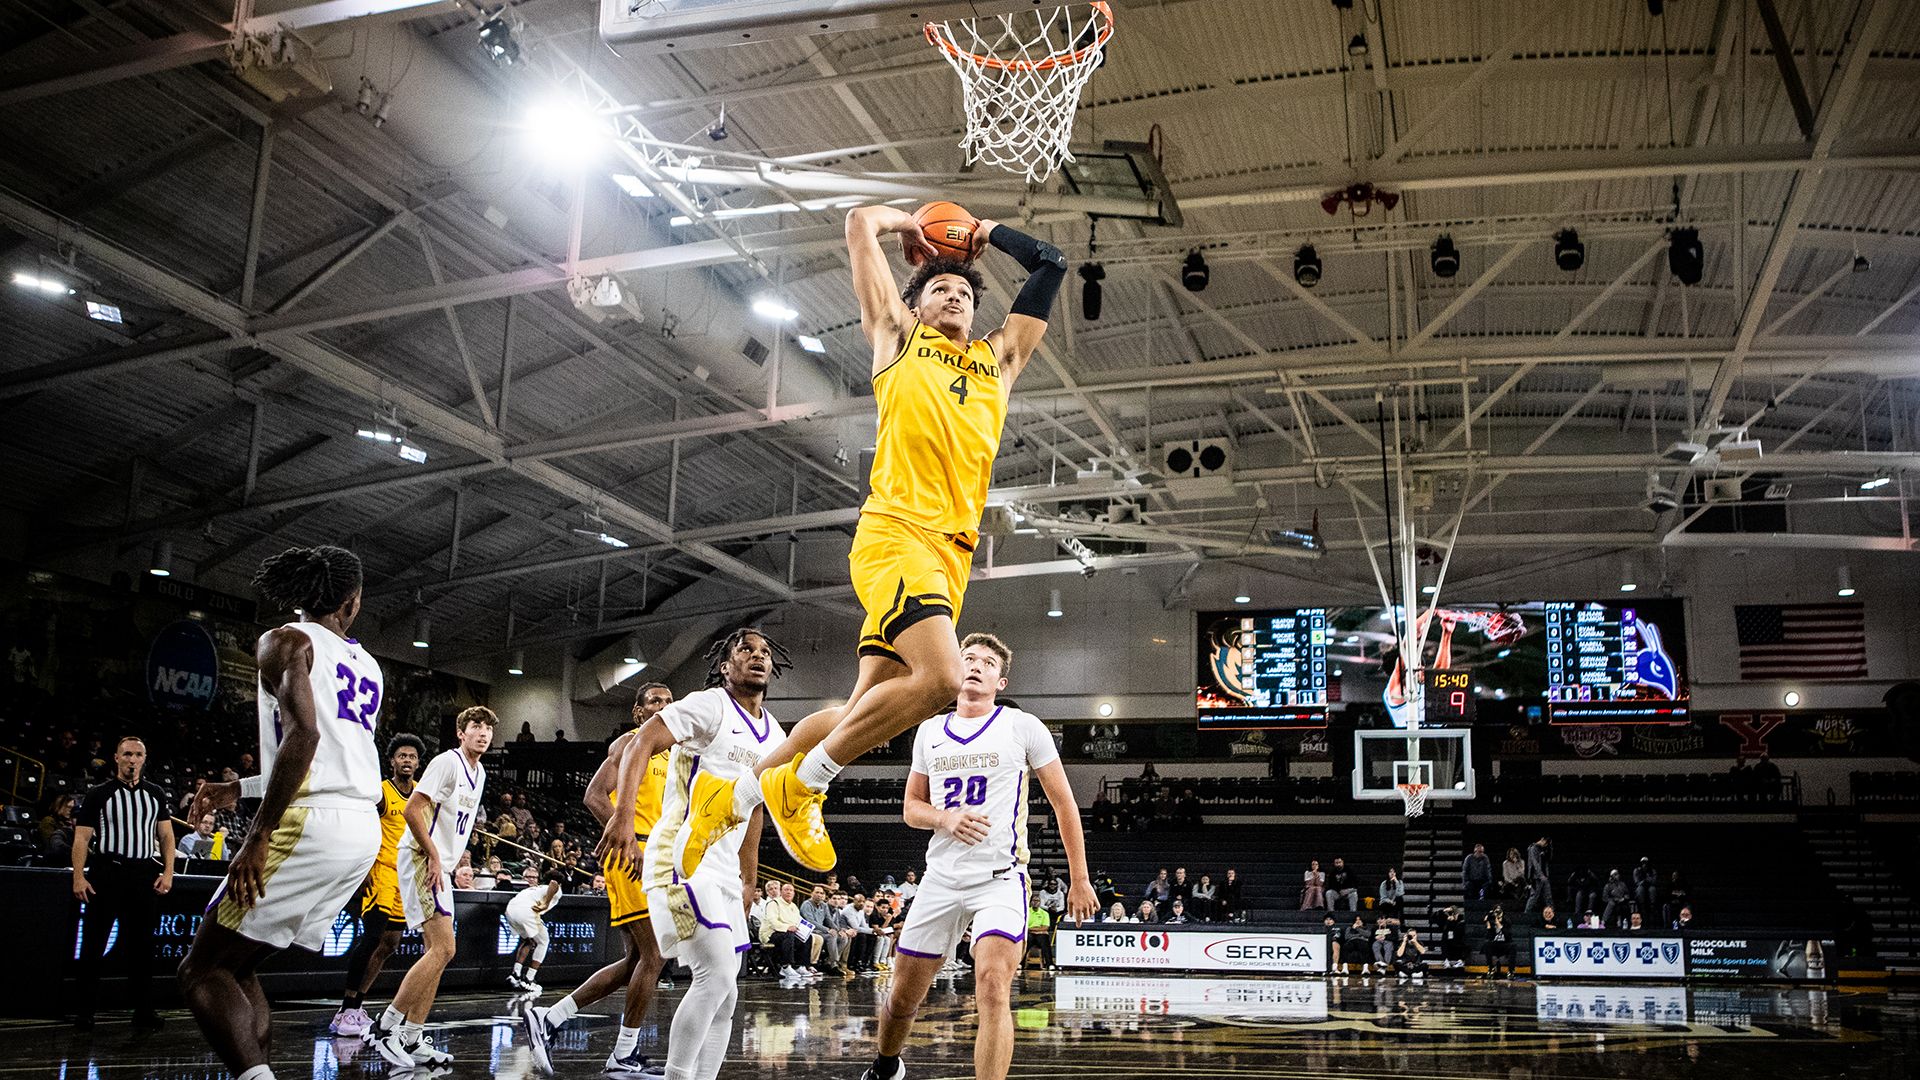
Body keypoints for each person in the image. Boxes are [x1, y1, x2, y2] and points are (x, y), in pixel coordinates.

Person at [676, 206, 1066, 878]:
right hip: (896, 536)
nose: (956, 296)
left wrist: (989, 233)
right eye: (942, 289)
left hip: (951, 556)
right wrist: (907, 224)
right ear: (914, 303)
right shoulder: (900, 339)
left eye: (967, 293)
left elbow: (1051, 265)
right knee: (942, 678)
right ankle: (803, 785)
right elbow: (859, 223)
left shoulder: (995, 361)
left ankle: (731, 795)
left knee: (861, 709)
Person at [179, 546, 382, 1080]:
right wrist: (241, 788)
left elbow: (307, 737)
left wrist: (258, 833)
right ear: (352, 602)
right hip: (360, 827)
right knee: (239, 965)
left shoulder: (285, 640)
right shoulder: (369, 665)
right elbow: (332, 752)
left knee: (200, 969)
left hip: (310, 822)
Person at [861, 632, 1097, 1080]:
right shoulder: (930, 731)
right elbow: (912, 808)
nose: (974, 665)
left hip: (1001, 878)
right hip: (941, 879)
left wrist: (1079, 879)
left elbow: (1064, 803)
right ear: (954, 668)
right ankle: (886, 1065)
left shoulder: (1023, 726)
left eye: (987, 662)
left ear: (1000, 681)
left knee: (991, 985)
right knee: (903, 998)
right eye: (967, 658)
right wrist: (945, 818)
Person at [581, 628, 784, 1080]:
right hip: (677, 863)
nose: (757, 657)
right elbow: (639, 743)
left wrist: (748, 879)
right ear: (725, 665)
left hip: (725, 874)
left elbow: (754, 810)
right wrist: (623, 815)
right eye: (745, 650)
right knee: (713, 975)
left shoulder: (774, 734)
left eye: (765, 653)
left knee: (727, 993)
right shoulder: (709, 704)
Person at [531, 674, 678, 1072]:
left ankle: (551, 1017)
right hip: (631, 852)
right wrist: (626, 835)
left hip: (657, 854)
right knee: (656, 954)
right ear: (638, 710)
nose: (663, 707)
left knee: (635, 961)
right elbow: (593, 795)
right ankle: (623, 1053)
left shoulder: (674, 753)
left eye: (668, 701)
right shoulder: (630, 743)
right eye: (654, 701)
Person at [372, 706, 497, 1068]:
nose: (483, 733)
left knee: (435, 953)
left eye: (487, 728)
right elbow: (412, 810)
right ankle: (387, 1027)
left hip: (440, 863)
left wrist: (452, 858)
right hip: (421, 858)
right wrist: (434, 856)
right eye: (475, 726)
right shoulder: (447, 762)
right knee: (444, 949)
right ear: (461, 732)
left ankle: (411, 1038)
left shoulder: (481, 771)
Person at [71, 735, 174, 1030]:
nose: (132, 760)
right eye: (127, 754)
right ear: (116, 758)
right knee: (93, 945)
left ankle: (143, 1009)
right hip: (108, 871)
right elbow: (81, 838)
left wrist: (168, 872)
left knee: (142, 948)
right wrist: (79, 875)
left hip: (142, 874)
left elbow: (166, 836)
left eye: (138, 754)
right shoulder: (99, 794)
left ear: (144, 758)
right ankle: (85, 1011)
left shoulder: (155, 794)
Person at [331, 733, 424, 1038]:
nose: (407, 760)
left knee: (391, 944)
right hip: (381, 871)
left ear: (418, 762)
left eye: (411, 756)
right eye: (402, 756)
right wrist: (365, 866)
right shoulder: (382, 792)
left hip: (405, 877)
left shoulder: (421, 796)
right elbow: (365, 828)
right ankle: (345, 1009)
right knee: (371, 937)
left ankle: (358, 1006)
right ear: (392, 761)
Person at [506, 873, 564, 992]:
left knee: (528, 941)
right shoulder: (555, 889)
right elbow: (554, 884)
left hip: (510, 911)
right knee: (543, 942)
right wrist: (546, 903)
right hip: (525, 911)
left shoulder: (534, 890)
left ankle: (515, 974)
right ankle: (529, 979)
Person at [1526, 835, 1553, 914]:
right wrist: (1540, 874)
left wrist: (1550, 848)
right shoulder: (1533, 848)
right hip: (1536, 877)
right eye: (1545, 843)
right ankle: (1526, 913)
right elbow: (1535, 863)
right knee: (1535, 896)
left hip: (1545, 875)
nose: (1546, 845)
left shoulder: (1544, 849)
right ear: (1542, 840)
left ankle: (1551, 914)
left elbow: (1549, 858)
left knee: (1548, 897)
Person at [1484, 905, 1513, 978]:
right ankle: (1490, 968)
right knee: (1487, 943)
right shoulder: (1492, 921)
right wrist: (1489, 927)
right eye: (1496, 912)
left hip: (1504, 944)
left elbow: (1508, 935)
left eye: (1499, 912)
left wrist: (1499, 924)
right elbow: (1488, 937)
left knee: (1513, 946)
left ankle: (1511, 971)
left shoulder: (1507, 921)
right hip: (1495, 944)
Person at [1026, 895, 1054, 968]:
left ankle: (1050, 964)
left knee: (1045, 942)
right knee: (1026, 942)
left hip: (1041, 935)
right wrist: (1038, 929)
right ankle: (1020, 964)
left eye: (1038, 901)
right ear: (1030, 902)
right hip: (1030, 935)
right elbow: (1025, 927)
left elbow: (1045, 928)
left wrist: (1031, 928)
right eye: (1034, 901)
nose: (1036, 903)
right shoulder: (1026, 912)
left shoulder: (1044, 913)